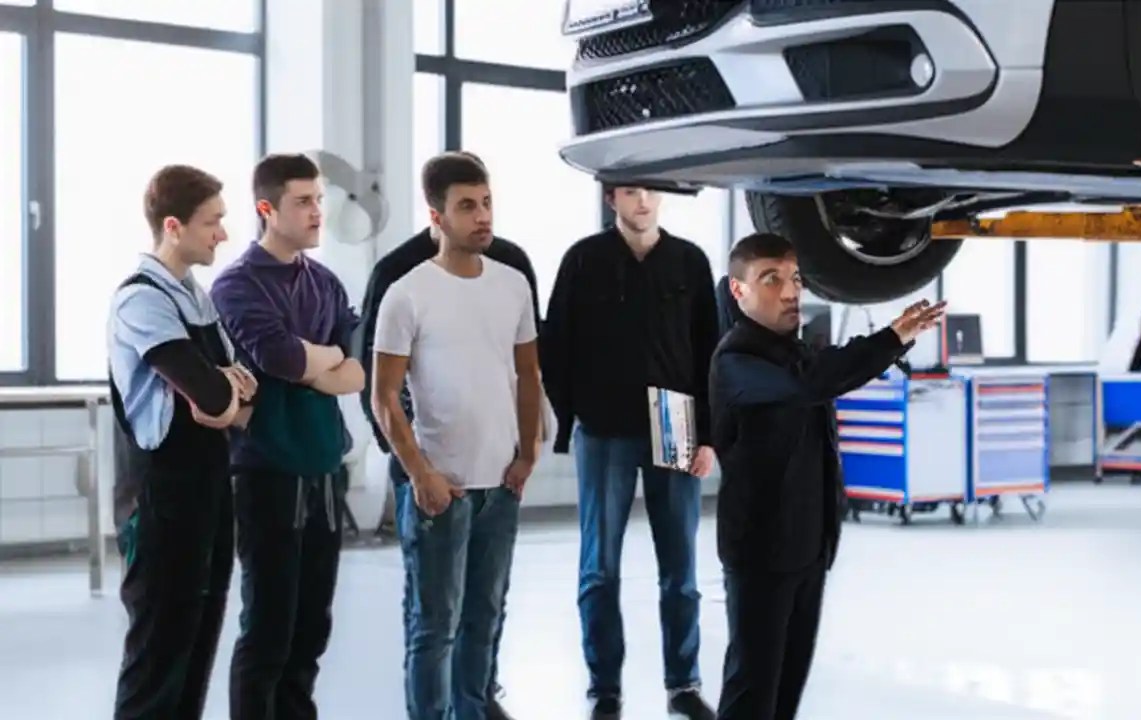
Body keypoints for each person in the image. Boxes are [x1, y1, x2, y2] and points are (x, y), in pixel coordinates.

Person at [710, 233, 944, 720]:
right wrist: (890, 338)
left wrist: (890, 338)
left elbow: (830, 367)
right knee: (751, 694)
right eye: (770, 279)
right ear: (739, 291)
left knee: (786, 693)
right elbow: (812, 384)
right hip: (761, 553)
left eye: (795, 278)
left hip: (810, 547)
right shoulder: (736, 361)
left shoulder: (793, 350)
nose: (790, 291)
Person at [353, 151, 539, 720]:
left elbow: (528, 373)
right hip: (441, 489)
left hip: (500, 486)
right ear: (436, 216)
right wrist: (420, 474)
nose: (482, 216)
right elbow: (383, 396)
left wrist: (528, 453)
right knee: (434, 628)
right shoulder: (405, 292)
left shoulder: (512, 284)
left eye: (486, 203)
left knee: (485, 620)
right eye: (467, 207)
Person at [542, 185, 719, 719]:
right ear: (611, 199)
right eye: (629, 192)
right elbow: (556, 346)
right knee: (599, 566)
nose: (641, 200)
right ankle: (604, 689)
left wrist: (707, 434)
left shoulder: (689, 261)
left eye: (649, 191)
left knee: (681, 569)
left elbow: (711, 350)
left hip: (674, 419)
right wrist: (569, 419)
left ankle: (683, 685)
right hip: (603, 424)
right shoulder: (583, 260)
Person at [211, 153, 364, 720]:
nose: (317, 211)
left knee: (311, 629)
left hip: (325, 468)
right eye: (304, 201)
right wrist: (321, 363)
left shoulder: (323, 282)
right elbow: (280, 358)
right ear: (267, 209)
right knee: (269, 629)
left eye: (319, 199)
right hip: (267, 470)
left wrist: (313, 365)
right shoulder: (236, 286)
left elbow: (357, 370)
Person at [108, 164, 257, 719]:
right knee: (158, 658)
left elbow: (244, 399)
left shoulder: (196, 296)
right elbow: (217, 396)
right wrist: (224, 393)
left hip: (210, 491)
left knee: (196, 651)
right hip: (161, 500)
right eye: (212, 222)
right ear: (173, 226)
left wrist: (226, 394)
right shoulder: (140, 301)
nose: (223, 233)